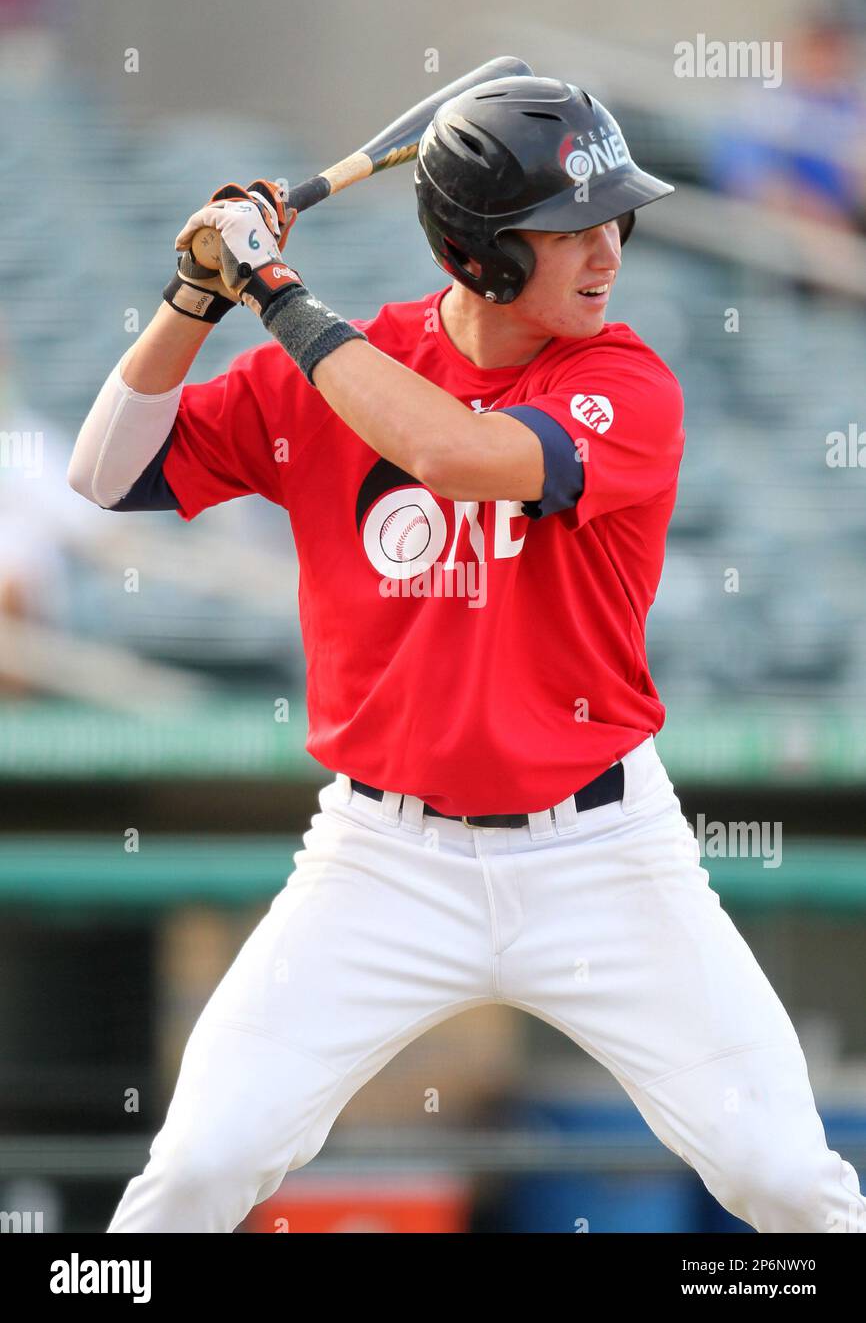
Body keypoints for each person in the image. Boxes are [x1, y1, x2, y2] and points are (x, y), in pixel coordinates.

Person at [69, 76, 866, 1234]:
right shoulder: (340, 369)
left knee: (787, 1184)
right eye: (568, 228)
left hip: (600, 851)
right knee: (192, 1175)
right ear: (480, 253)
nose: (606, 250)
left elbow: (448, 450)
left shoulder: (623, 381)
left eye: (614, 220)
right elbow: (106, 473)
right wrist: (195, 293)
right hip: (382, 859)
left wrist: (274, 290)